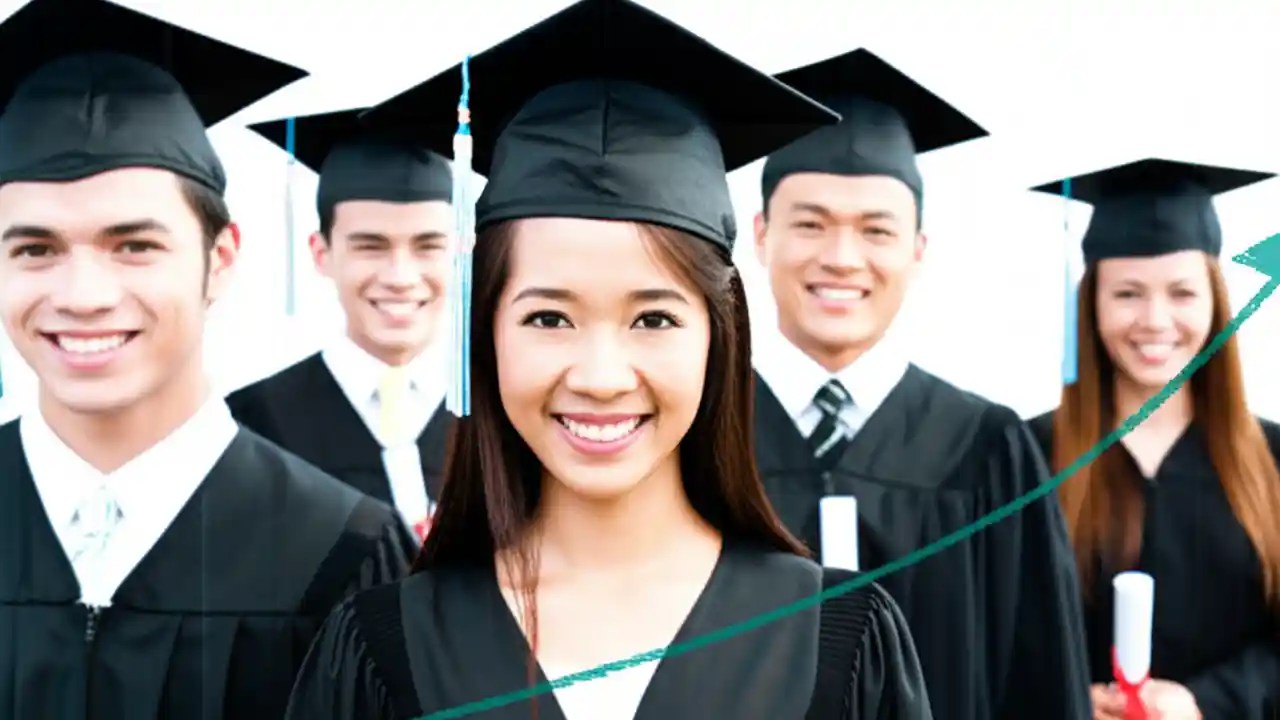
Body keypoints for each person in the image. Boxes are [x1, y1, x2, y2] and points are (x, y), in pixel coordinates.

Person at [284, 1, 936, 718]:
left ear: (719, 339)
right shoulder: (384, 648)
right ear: (485, 333)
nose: (599, 376)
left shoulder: (837, 640)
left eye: (653, 318)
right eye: (548, 317)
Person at [0, 1, 411, 717]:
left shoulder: (347, 555)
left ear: (219, 260)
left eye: (135, 245)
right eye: (36, 249)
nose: (84, 295)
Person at [749, 48, 1093, 720]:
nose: (842, 257)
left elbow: (1042, 683)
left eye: (876, 229)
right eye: (810, 223)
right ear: (761, 236)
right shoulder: (698, 434)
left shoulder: (989, 447)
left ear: (917, 249)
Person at [1027, 158, 1280, 720]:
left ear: (1215, 304)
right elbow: (987, 633)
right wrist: (1063, 700)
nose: (1155, 320)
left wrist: (1203, 703)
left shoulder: (1275, 461)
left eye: (1183, 293)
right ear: (1091, 304)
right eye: (1128, 294)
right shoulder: (1023, 458)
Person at [228, 109, 455, 546]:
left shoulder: (505, 415)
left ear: (461, 251)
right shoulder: (250, 424)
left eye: (429, 246)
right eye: (371, 246)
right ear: (321, 253)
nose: (401, 276)